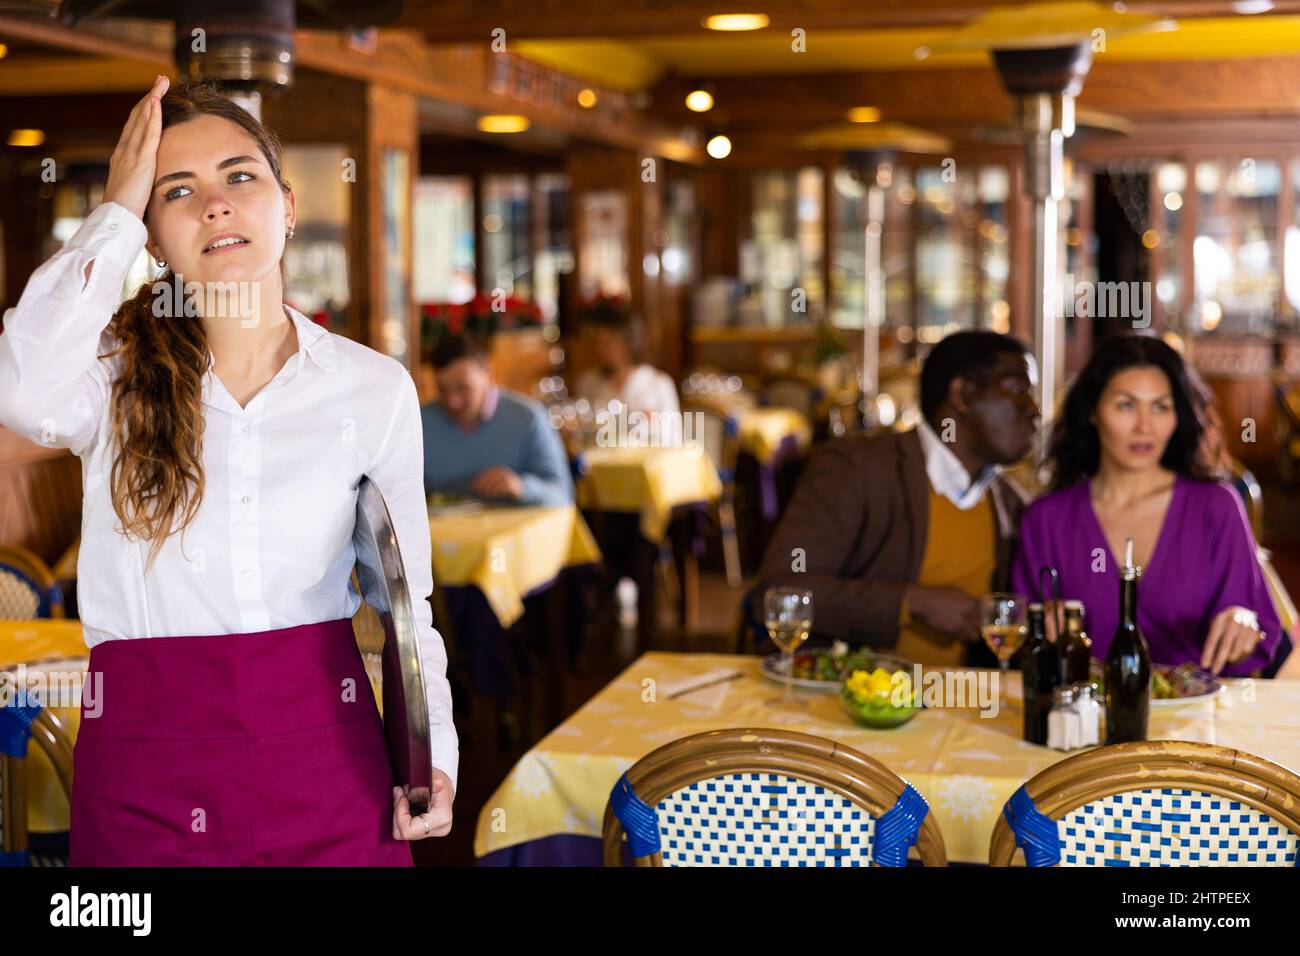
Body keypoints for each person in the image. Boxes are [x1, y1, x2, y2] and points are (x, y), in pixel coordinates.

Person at [0, 77, 456, 865]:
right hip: (145, 769)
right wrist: (112, 211)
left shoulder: (373, 388)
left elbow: (405, 605)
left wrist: (432, 757)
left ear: (285, 205)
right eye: (176, 190)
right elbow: (21, 388)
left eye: (239, 176)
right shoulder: (104, 375)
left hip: (330, 760)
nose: (215, 204)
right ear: (150, 237)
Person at [757, 331, 1039, 665]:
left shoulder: (1012, 503)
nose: (1034, 410)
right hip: (847, 702)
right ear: (962, 394)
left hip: (960, 705)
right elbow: (779, 593)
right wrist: (911, 603)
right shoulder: (857, 469)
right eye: (1019, 390)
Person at [1012, 333, 1282, 676]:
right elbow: (1020, 639)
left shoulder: (1216, 507)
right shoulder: (1046, 519)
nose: (1144, 426)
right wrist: (1040, 628)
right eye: (1126, 405)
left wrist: (1244, 622)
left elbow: (1256, 631)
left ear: (1177, 417)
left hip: (1193, 720)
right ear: (1093, 412)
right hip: (1082, 718)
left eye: (1160, 407)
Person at [421, 331, 572, 505]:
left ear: (488, 374)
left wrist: (522, 486)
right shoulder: (422, 422)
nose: (453, 401)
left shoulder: (528, 418)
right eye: (443, 390)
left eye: (463, 388)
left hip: (519, 531)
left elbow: (563, 496)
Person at [574, 308, 679, 417]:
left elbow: (671, 432)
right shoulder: (588, 383)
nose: (601, 349)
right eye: (597, 342)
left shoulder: (658, 384)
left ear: (631, 342)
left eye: (609, 342)